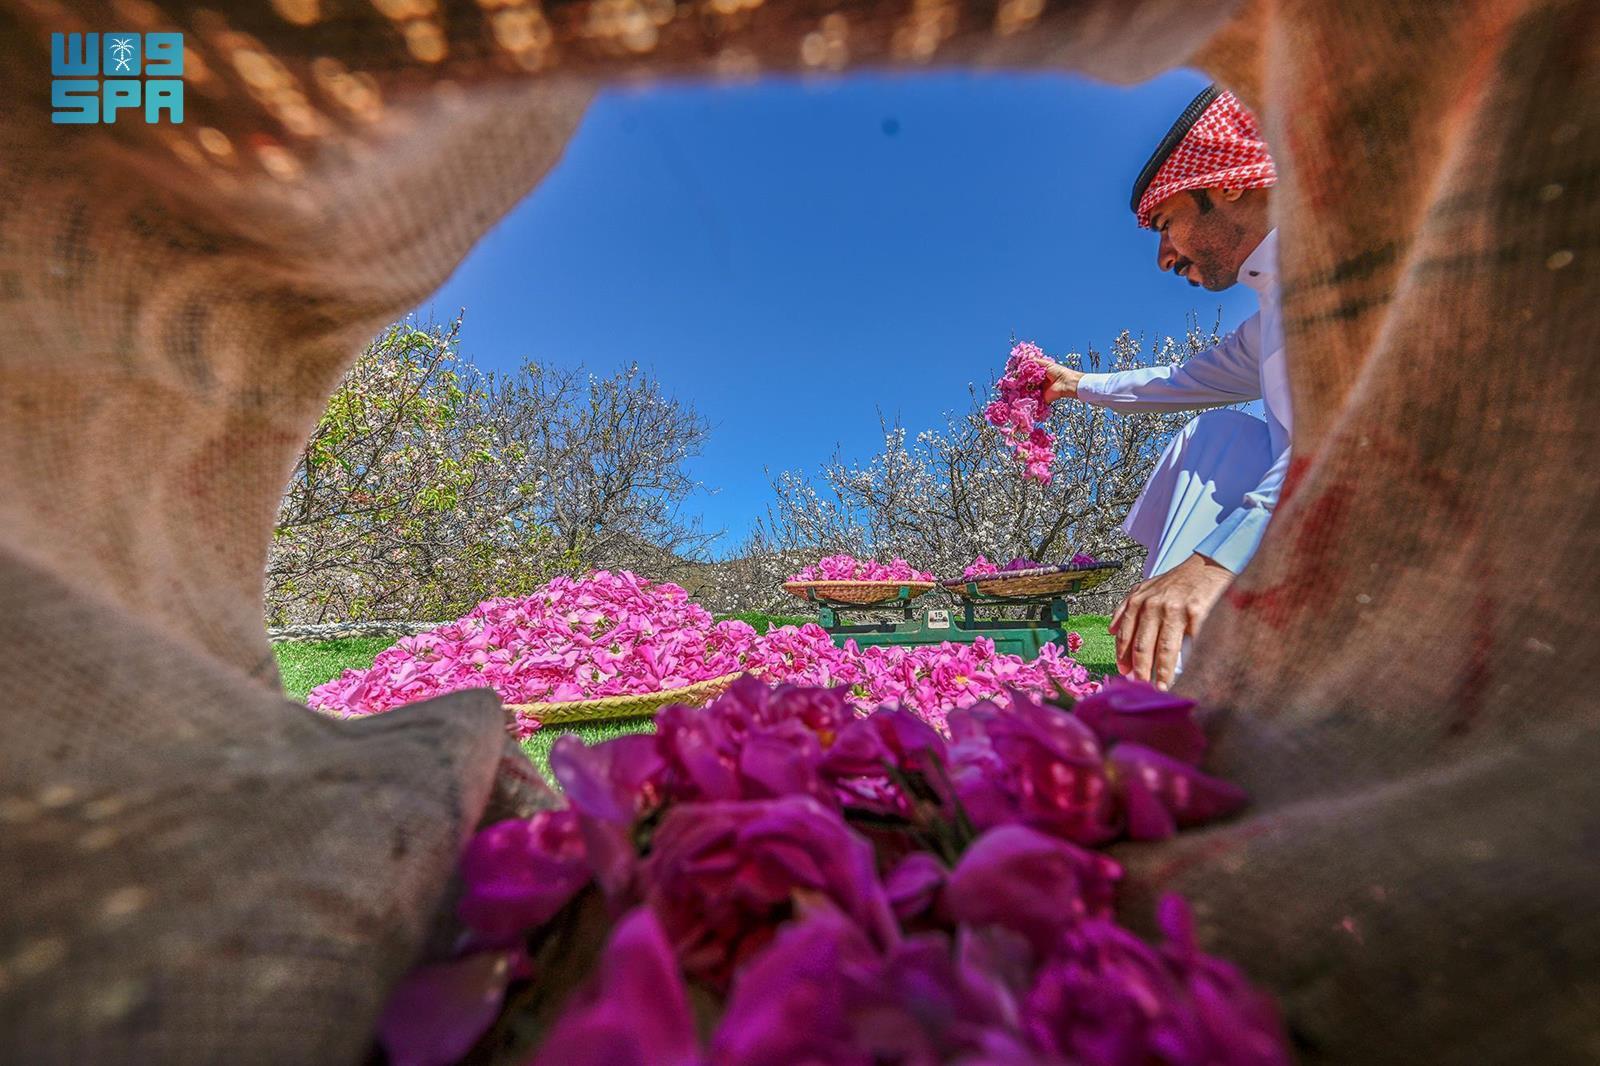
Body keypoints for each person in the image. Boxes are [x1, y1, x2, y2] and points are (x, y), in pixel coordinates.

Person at [1035, 86, 1286, 689]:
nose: (1163, 257)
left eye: (1166, 222)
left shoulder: (1357, 272)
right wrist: (1077, 385)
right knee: (1219, 435)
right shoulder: (1275, 308)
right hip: (1312, 525)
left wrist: (1212, 564)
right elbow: (1181, 381)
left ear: (1228, 184)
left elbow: (1351, 444)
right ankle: (1161, 684)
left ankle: (1170, 691)